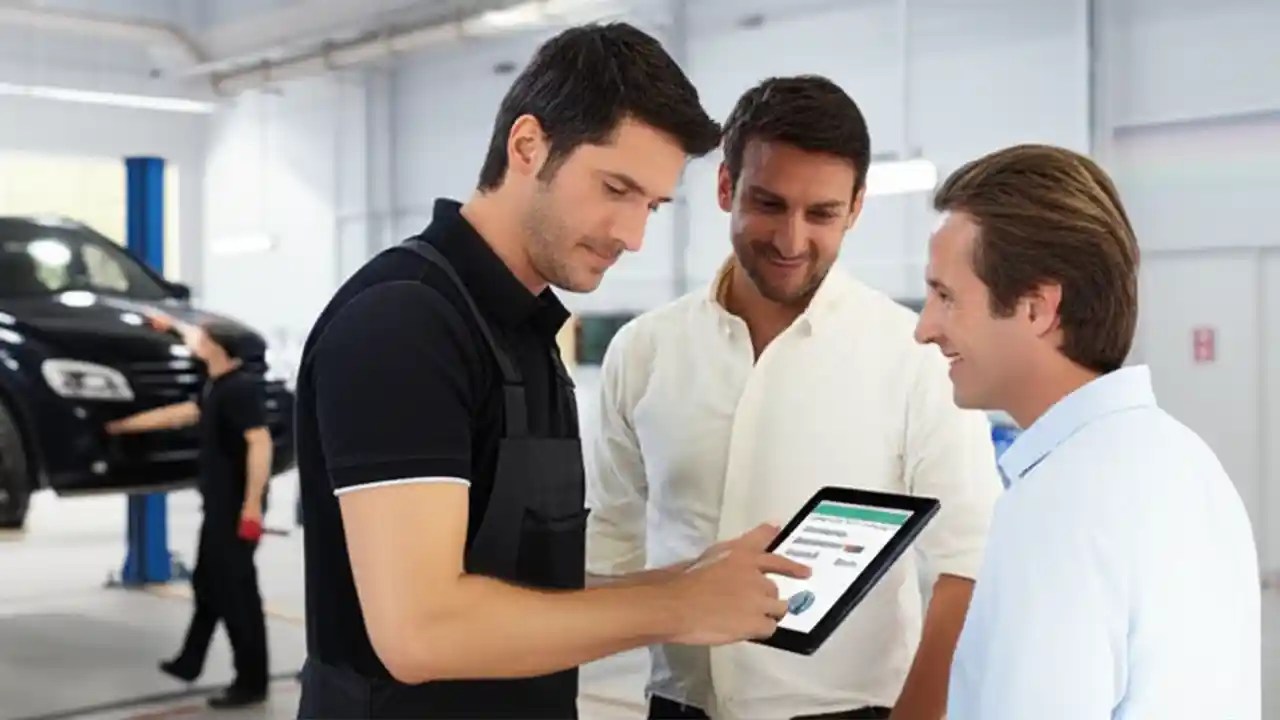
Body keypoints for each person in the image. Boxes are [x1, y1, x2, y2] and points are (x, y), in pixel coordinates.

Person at [292, 23, 811, 720]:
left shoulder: (525, 335)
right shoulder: (405, 325)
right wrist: (673, 607)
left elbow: (522, 589)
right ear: (528, 146)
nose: (632, 235)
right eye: (616, 188)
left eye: (651, 206)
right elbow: (420, 631)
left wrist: (691, 578)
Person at [586, 75, 1002, 720]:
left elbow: (967, 561)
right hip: (674, 707)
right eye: (769, 204)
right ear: (726, 188)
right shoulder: (645, 351)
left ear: (857, 207)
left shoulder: (913, 356)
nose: (791, 240)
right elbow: (609, 547)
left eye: (823, 214)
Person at [914, 144, 1261, 720]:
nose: (925, 328)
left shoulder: (1059, 503)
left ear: (1037, 309)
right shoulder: (1186, 458)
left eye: (947, 296)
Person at [106, 316, 272, 709]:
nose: (194, 339)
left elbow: (260, 443)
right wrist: (124, 426)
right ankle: (190, 660)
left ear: (217, 346)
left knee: (236, 595)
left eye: (201, 337)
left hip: (236, 509)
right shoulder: (216, 384)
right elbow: (181, 412)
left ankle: (251, 683)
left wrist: (251, 504)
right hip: (218, 507)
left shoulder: (240, 390)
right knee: (208, 584)